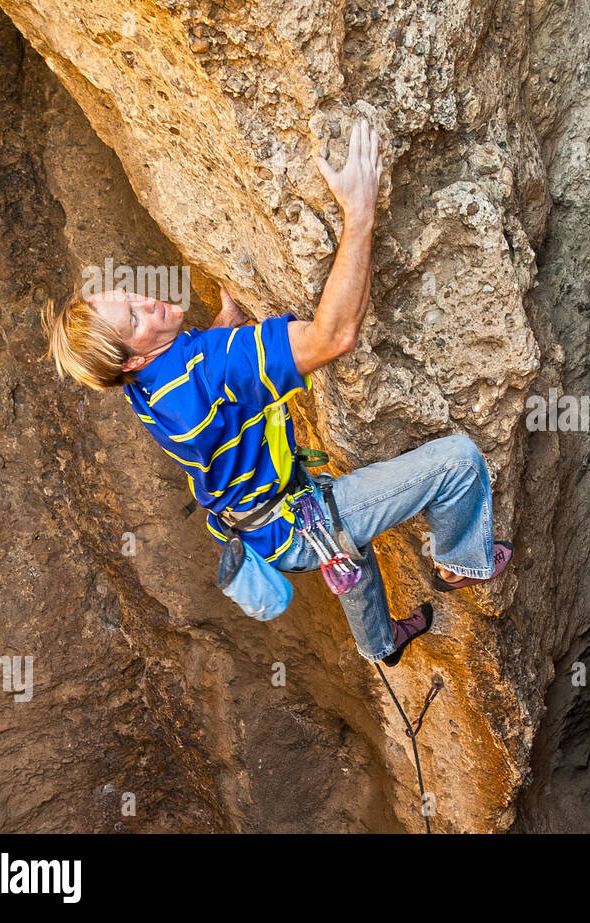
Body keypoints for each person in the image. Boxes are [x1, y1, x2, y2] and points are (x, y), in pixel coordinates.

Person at [40, 116, 512, 667]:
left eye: (133, 295)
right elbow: (333, 336)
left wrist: (225, 319)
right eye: (137, 317)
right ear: (136, 358)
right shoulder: (211, 368)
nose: (152, 303)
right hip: (295, 518)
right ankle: (462, 562)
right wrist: (359, 212)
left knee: (346, 547)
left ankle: (381, 644)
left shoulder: (142, 384)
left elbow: (197, 383)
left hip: (259, 524)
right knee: (457, 462)